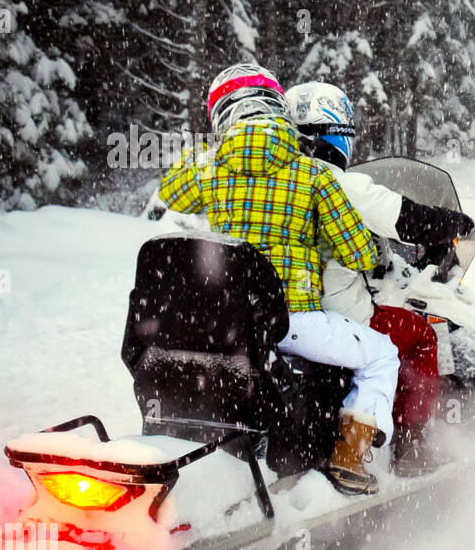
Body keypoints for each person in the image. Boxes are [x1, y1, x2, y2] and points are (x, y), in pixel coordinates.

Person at [158, 63, 400, 493]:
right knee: (381, 354)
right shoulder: (315, 175)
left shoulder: (212, 169)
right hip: (293, 322)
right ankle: (350, 459)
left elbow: (170, 192)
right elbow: (359, 252)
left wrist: (213, 156)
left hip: (230, 320)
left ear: (222, 117)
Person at [287, 81, 474, 471]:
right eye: (346, 134)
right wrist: (453, 222)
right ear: (335, 136)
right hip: (336, 314)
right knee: (420, 334)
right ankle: (411, 447)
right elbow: (405, 218)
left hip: (283, 314)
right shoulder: (337, 183)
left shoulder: (274, 181)